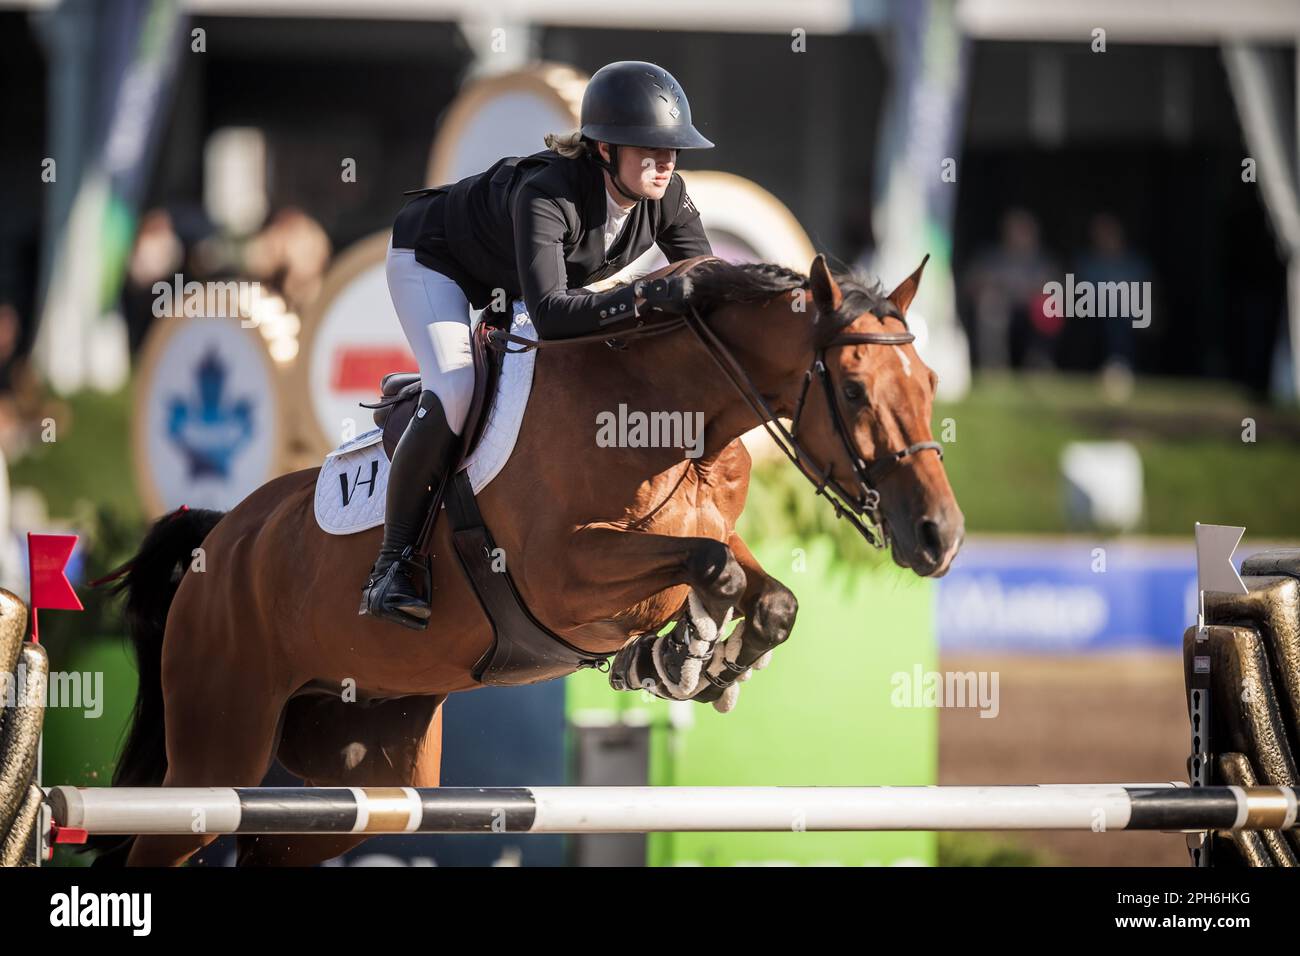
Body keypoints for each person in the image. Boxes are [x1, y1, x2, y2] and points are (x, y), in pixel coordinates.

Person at [362, 60, 715, 630]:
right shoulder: (549, 194)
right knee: (455, 387)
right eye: (648, 149)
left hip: (513, 283)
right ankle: (391, 566)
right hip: (435, 262)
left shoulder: (668, 196)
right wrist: (644, 300)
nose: (666, 161)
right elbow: (551, 316)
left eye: (672, 148)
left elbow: (707, 284)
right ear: (604, 149)